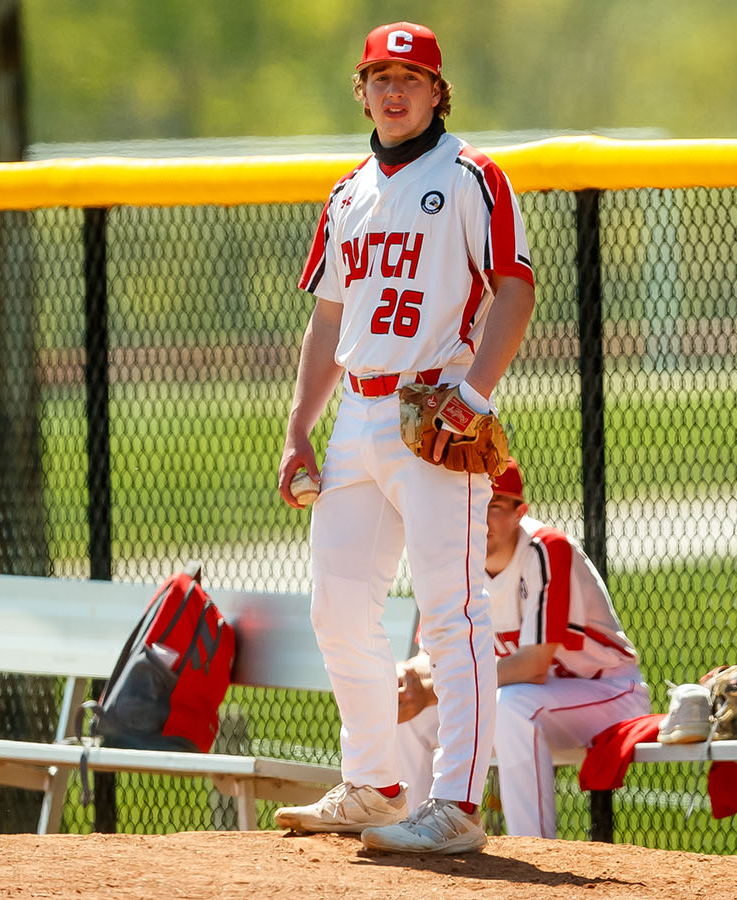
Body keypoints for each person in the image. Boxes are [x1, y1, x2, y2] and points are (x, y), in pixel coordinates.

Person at [272, 21, 536, 855]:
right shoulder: (346, 192)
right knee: (339, 607)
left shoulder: (470, 176)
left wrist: (477, 391)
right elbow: (327, 316)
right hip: (355, 415)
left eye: (410, 76)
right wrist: (298, 427)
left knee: (450, 612)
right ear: (361, 90)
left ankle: (456, 803)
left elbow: (516, 288)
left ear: (436, 90)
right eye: (379, 76)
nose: (394, 90)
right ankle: (376, 784)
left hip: (431, 412)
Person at [393, 458, 650, 839]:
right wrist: (409, 679)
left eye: (494, 507)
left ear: (519, 513)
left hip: (608, 692)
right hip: (529, 698)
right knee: (412, 712)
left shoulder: (547, 550)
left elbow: (533, 665)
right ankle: (416, 833)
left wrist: (433, 690)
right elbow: (434, 658)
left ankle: (532, 846)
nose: (481, 520)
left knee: (511, 705)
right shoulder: (456, 559)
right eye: (473, 505)